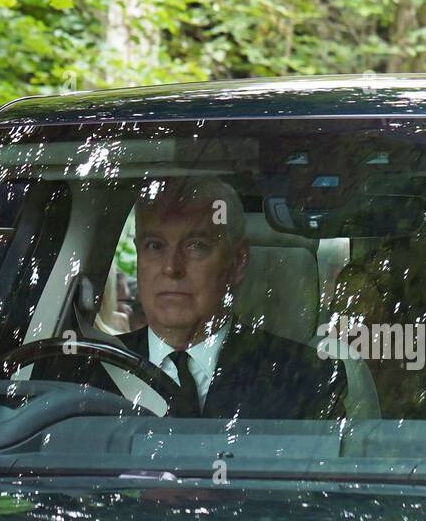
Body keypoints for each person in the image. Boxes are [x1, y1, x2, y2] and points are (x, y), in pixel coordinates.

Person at [75, 177, 346, 419]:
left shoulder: (304, 377)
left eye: (196, 246)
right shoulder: (85, 374)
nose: (171, 268)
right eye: (154, 246)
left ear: (238, 262)